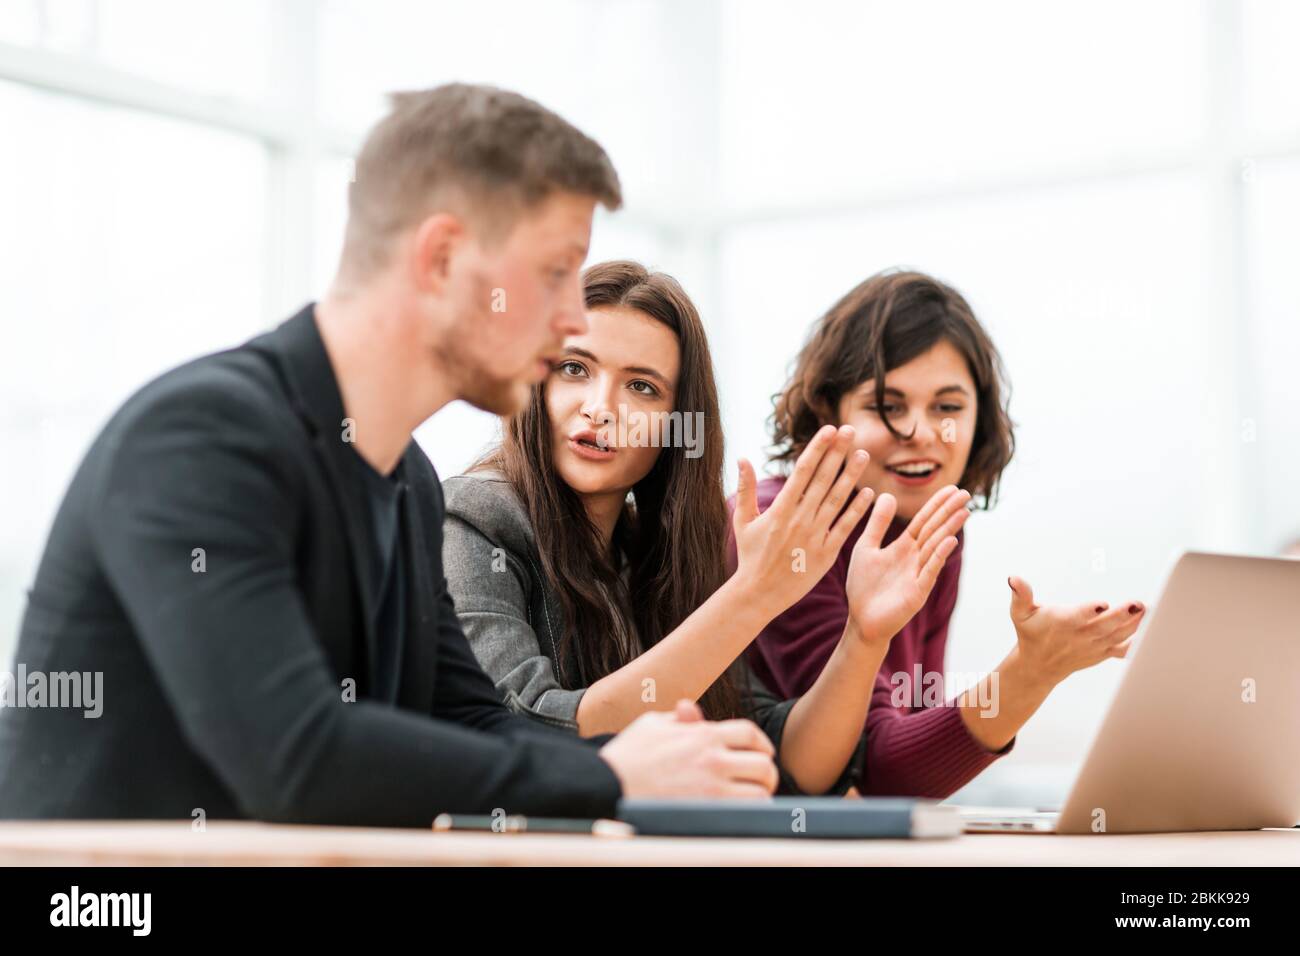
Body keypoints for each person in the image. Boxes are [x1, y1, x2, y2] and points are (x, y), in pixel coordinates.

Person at [0, 84, 781, 826]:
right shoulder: (200, 439)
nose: (572, 318)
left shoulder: (404, 481)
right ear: (441, 258)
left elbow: (472, 721)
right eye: (553, 275)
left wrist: (663, 762)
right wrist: (610, 776)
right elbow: (294, 754)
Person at [442, 260, 969, 795]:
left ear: (679, 425)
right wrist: (753, 594)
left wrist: (864, 635)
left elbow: (792, 764)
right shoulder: (474, 517)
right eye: (575, 369)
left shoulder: (656, 551)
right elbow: (528, 732)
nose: (601, 409)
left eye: (642, 387)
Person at [743, 269, 1147, 798]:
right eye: (888, 407)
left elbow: (909, 742)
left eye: (948, 407)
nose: (922, 433)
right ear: (828, 410)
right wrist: (1030, 674)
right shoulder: (782, 528)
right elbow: (876, 767)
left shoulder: (929, 526)